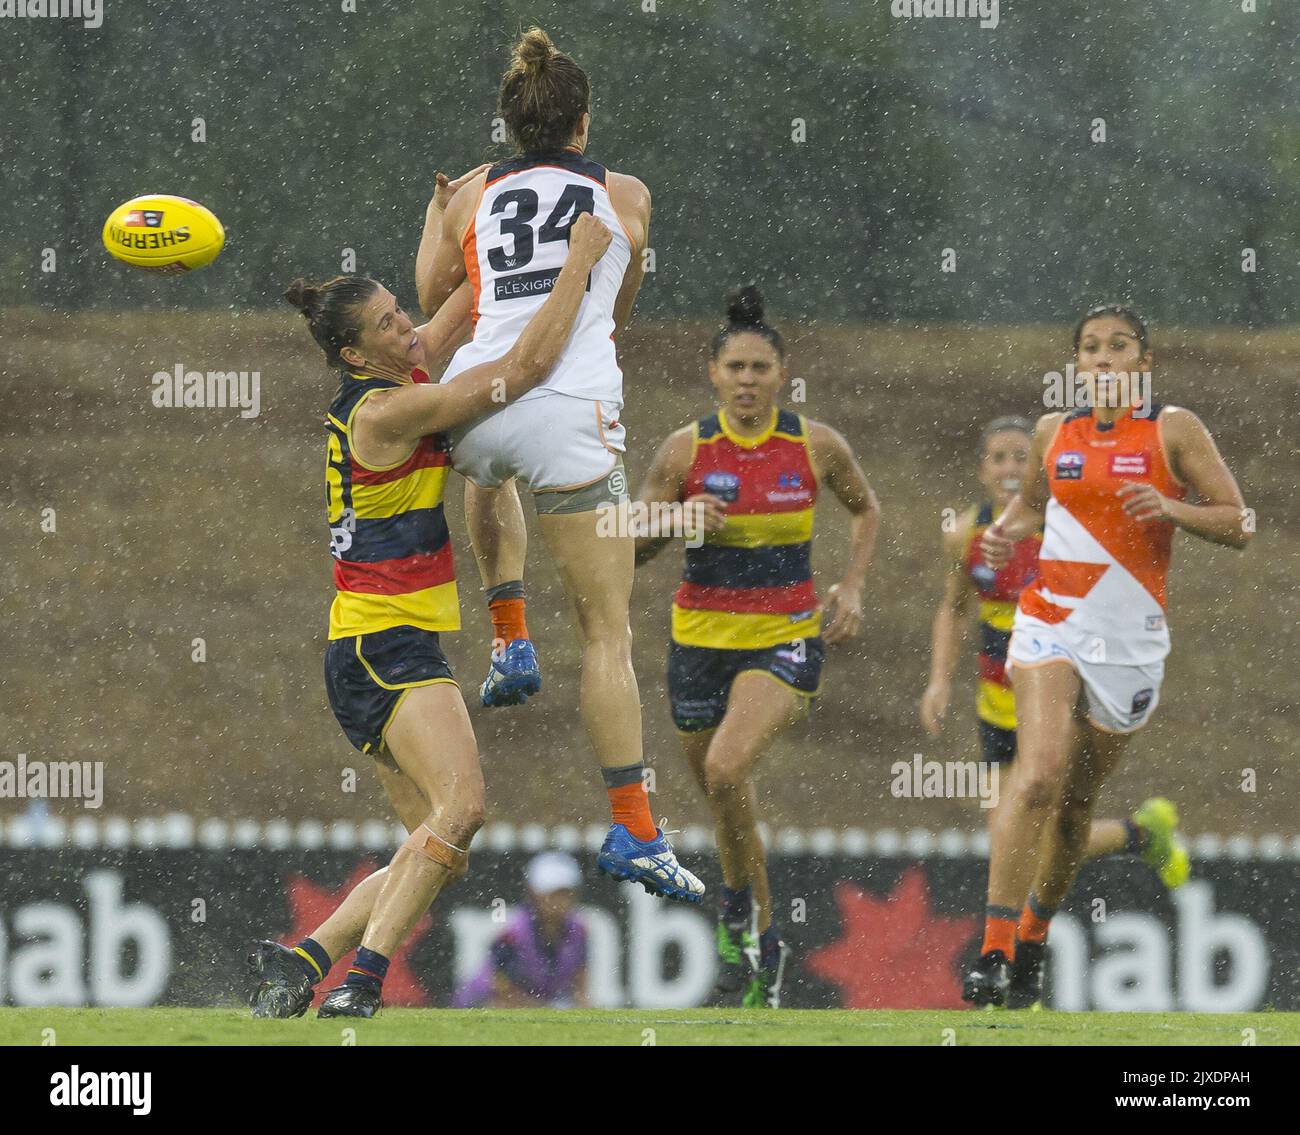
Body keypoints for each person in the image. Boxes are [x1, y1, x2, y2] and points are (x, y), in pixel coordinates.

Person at [247, 212, 613, 1020]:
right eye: (387, 323)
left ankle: (304, 959)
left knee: (435, 849)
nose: (407, 327)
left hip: (366, 645)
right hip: (386, 644)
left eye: (397, 310)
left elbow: (461, 308)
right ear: (352, 354)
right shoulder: (384, 412)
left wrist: (464, 223)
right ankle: (365, 982)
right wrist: (579, 260)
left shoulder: (397, 381)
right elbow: (522, 366)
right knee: (465, 808)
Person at [414, 27, 702, 904]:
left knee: (484, 465)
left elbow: (436, 304)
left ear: (508, 127)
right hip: (575, 415)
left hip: (484, 396)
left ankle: (507, 633)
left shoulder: (465, 196)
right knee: (608, 637)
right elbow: (619, 299)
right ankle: (636, 828)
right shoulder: (628, 194)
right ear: (584, 123)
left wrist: (443, 213)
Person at [962, 304, 1252, 1009]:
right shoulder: (1051, 431)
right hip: (1050, 618)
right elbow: (1032, 506)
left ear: (1142, 363)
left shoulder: (1172, 428)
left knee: (1073, 810)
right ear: (1077, 364)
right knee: (1037, 776)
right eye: (1090, 348)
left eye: (1118, 348)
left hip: (1129, 642)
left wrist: (1171, 507)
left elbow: (1238, 521)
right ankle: (993, 953)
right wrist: (1003, 533)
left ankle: (1032, 937)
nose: (1103, 360)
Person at [634, 286, 881, 1007]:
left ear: (781, 374)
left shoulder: (815, 444)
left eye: (759, 368)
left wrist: (854, 586)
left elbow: (865, 508)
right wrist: (678, 517)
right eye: (735, 367)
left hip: (785, 636)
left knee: (726, 764)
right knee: (723, 794)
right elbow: (631, 545)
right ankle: (762, 937)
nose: (747, 380)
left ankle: (741, 911)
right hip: (698, 641)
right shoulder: (685, 449)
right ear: (714, 374)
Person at [923, 416, 1190, 1009]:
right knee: (1028, 827)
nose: (1009, 468)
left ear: (1040, 467)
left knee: (1028, 815)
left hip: (1056, 686)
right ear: (981, 469)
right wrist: (939, 681)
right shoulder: (967, 533)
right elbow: (953, 607)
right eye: (998, 457)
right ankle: (1138, 835)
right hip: (995, 705)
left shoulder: (1067, 526)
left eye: (1021, 457)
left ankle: (1010, 955)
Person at [453, 851, 589, 1008]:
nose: (561, 900)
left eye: (566, 893)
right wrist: (546, 1009)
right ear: (533, 893)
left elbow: (580, 986)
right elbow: (499, 989)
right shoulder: (512, 933)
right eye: (553, 894)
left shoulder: (579, 933)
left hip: (538, 1009)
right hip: (480, 1004)